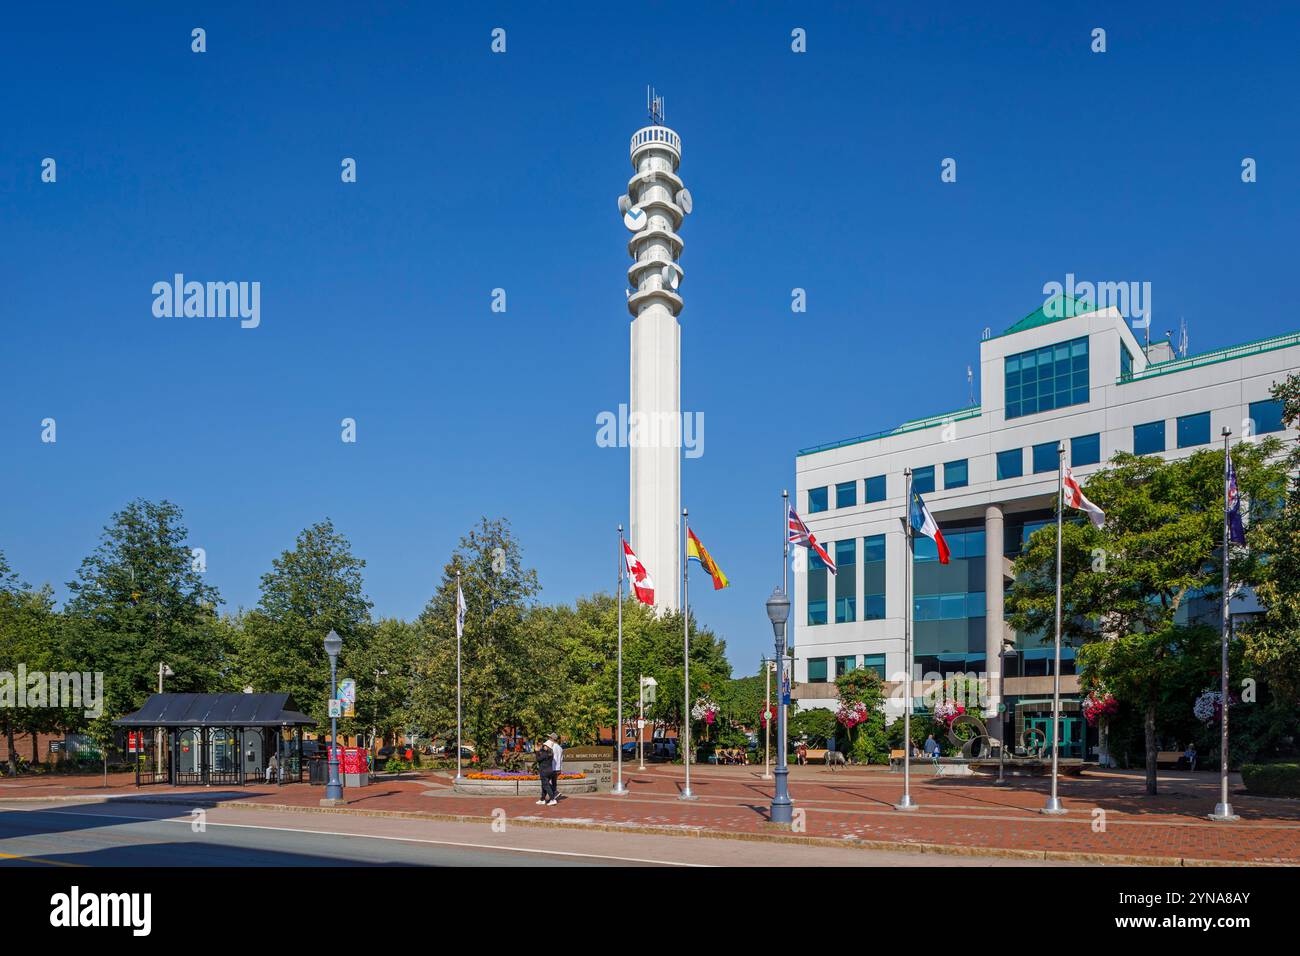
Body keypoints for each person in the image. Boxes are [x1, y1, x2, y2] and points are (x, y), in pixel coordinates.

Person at [534, 738, 555, 805]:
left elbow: (538, 759)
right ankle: (542, 799)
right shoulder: (550, 753)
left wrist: (537, 751)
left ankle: (552, 799)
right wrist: (540, 749)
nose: (543, 746)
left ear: (547, 747)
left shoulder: (545, 754)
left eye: (545, 746)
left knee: (545, 785)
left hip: (544, 771)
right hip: (549, 771)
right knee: (544, 785)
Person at [547, 733, 563, 804]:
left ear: (552, 739)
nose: (548, 739)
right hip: (557, 768)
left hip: (551, 767)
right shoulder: (560, 748)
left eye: (549, 737)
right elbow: (561, 759)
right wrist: (559, 768)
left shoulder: (551, 747)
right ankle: (553, 795)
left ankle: (554, 793)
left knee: (545, 782)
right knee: (553, 783)